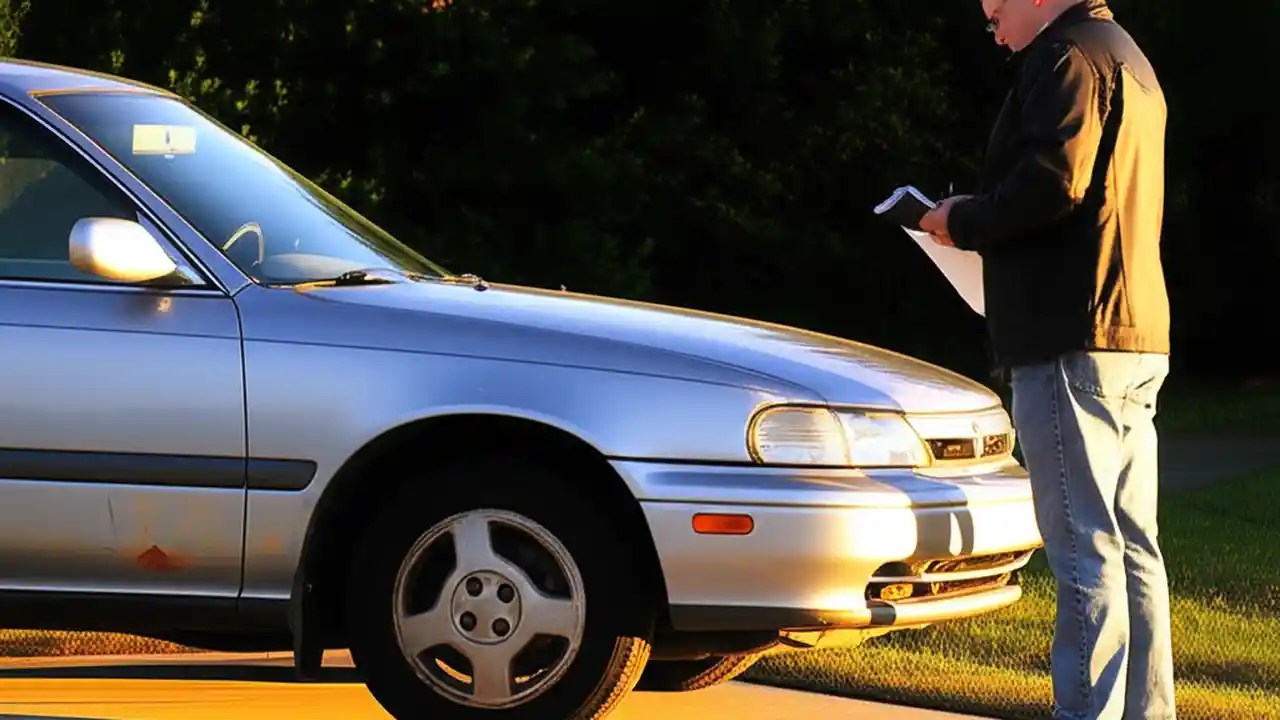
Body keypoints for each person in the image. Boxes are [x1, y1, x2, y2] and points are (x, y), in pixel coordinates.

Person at [919, 1, 1175, 719]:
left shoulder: (1065, 58)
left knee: (1083, 548)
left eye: (995, 6)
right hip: (1132, 331)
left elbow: (1052, 183)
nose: (989, 19)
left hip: (1070, 337)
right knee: (1132, 547)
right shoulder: (1125, 53)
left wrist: (962, 220)